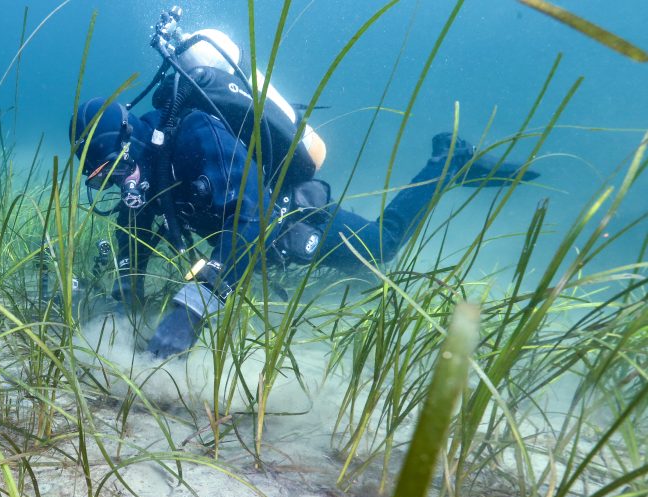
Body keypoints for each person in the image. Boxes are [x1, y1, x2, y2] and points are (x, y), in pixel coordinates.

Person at [69, 96, 539, 359]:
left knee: (380, 244)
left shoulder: (196, 135)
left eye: (113, 168)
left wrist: (189, 310)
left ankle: (447, 159)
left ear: (134, 138)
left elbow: (249, 221)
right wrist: (123, 304)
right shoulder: (144, 170)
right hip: (244, 237)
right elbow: (136, 232)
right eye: (100, 179)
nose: (118, 183)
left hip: (288, 216)